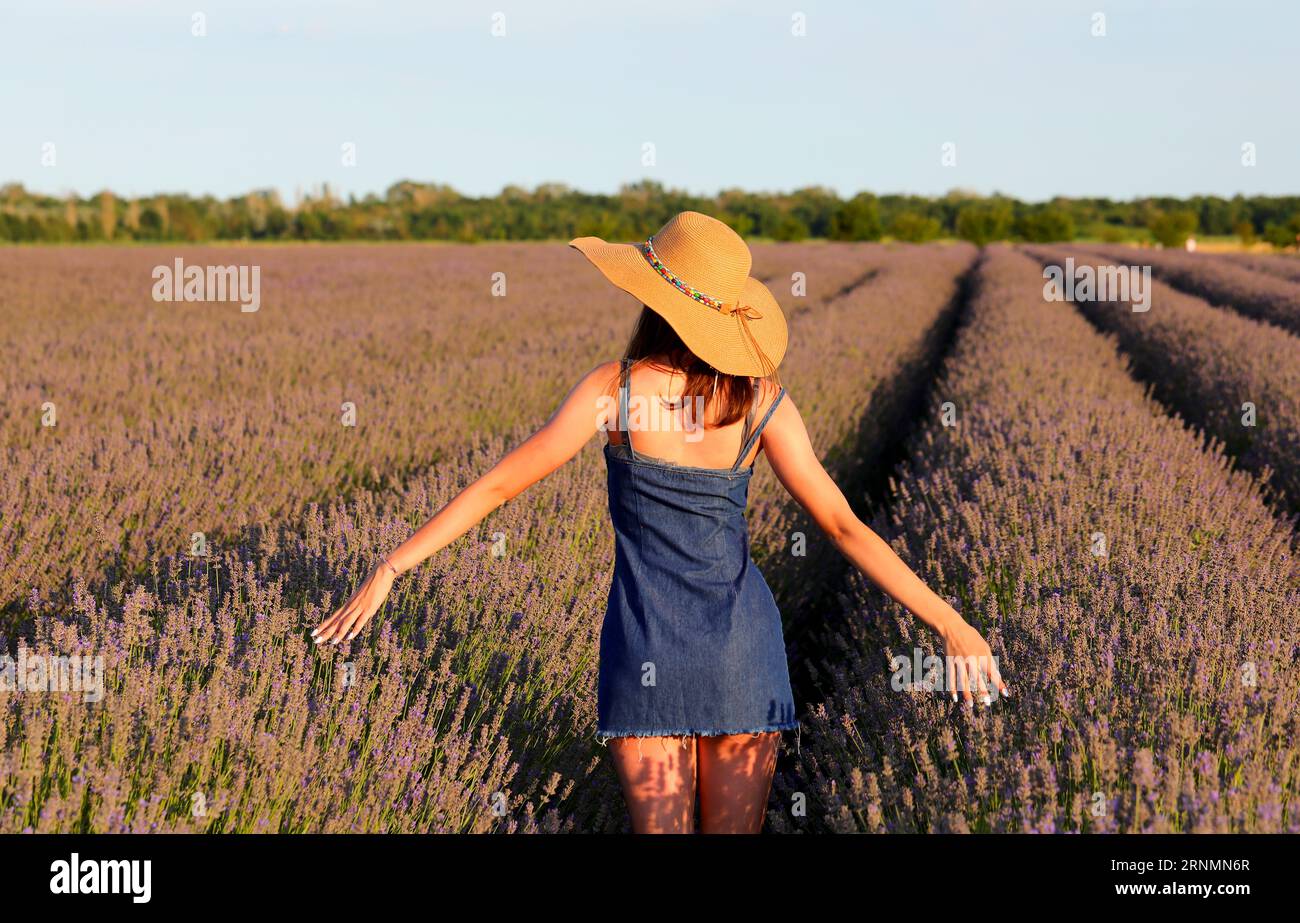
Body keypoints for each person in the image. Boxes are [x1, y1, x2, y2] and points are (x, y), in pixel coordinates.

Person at [312, 211, 1008, 833]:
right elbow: (843, 524)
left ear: (653, 298)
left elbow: (498, 486)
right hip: (741, 651)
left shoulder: (611, 391)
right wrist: (949, 621)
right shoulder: (761, 402)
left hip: (642, 645)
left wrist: (392, 565)